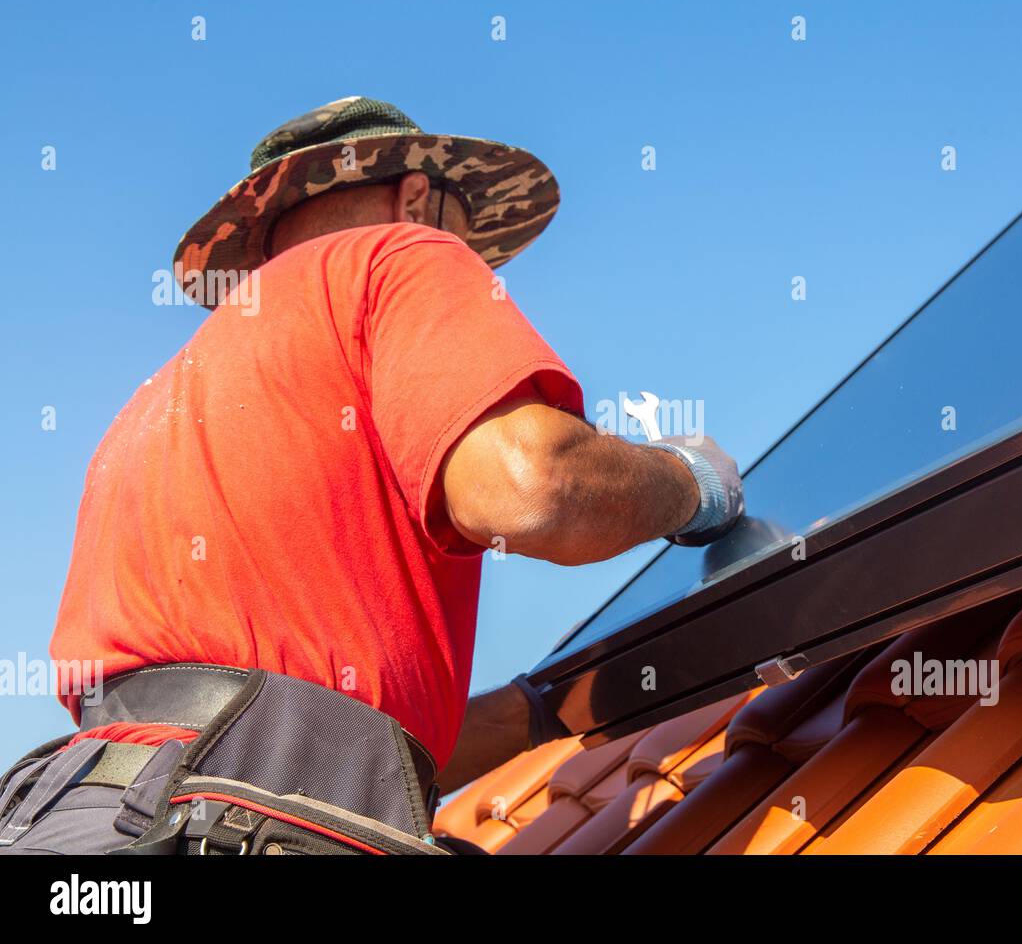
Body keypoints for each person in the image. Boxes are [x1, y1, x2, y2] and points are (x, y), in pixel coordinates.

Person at [0, 97, 743, 855]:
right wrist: (691, 483)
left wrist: (539, 711)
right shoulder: (396, 255)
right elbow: (531, 490)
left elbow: (312, 738)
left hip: (84, 822)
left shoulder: (151, 407)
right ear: (416, 199)